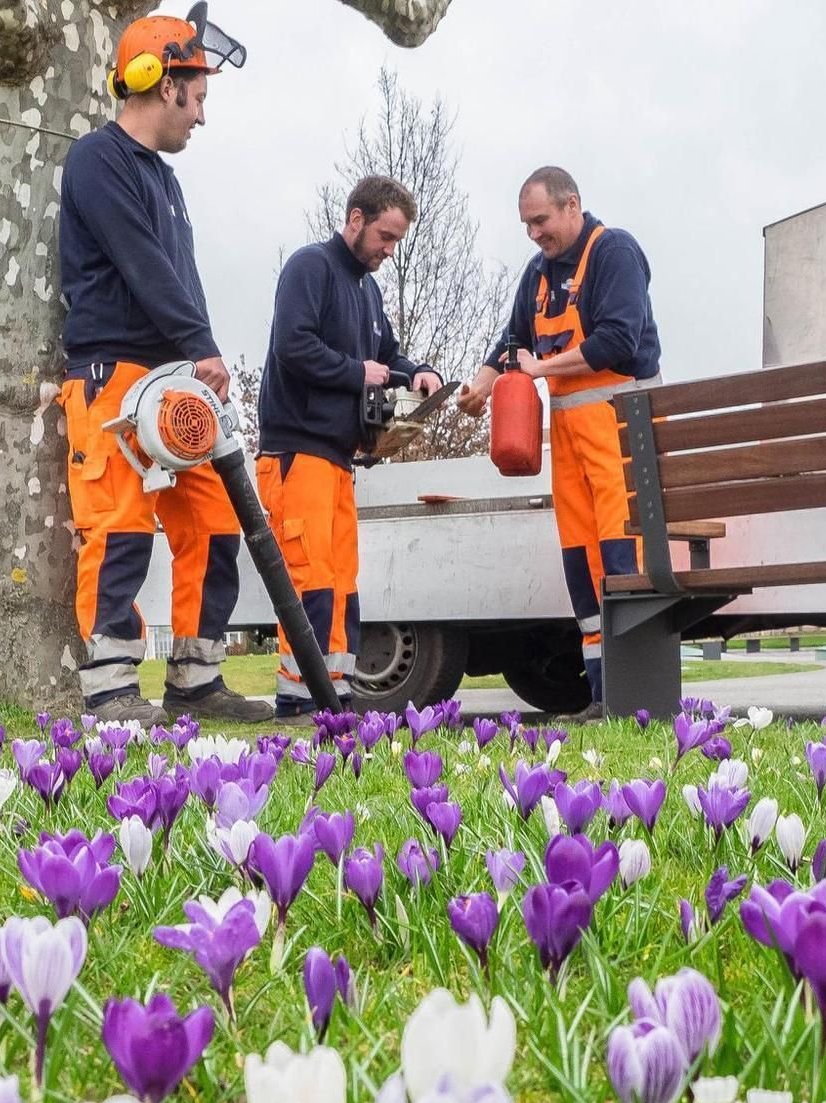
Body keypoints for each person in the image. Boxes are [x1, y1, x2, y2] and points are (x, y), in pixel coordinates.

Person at [57, 3, 270, 726]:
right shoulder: (97, 160)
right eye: (199, 96)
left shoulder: (166, 182)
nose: (202, 117)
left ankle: (195, 676)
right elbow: (141, 264)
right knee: (118, 525)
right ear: (160, 81)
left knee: (214, 521)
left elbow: (179, 275)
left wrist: (201, 353)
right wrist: (201, 346)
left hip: (176, 379)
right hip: (113, 374)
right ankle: (111, 687)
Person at [457, 167, 662, 719]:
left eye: (541, 221)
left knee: (625, 559)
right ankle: (602, 695)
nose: (534, 234)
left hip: (621, 435)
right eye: (526, 225)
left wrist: (541, 368)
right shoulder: (539, 274)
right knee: (582, 562)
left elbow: (618, 340)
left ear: (573, 205)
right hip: (570, 444)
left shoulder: (613, 252)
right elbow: (512, 342)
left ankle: (636, 692)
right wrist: (480, 383)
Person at [257, 175, 441, 719]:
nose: (389, 250)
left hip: (338, 459)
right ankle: (299, 700)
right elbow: (293, 346)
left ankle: (334, 697)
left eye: (396, 241)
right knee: (310, 579)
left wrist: (418, 372)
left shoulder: (368, 289)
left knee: (339, 583)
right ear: (356, 219)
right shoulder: (310, 267)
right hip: (298, 452)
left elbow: (388, 352)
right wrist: (357, 371)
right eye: (385, 237)